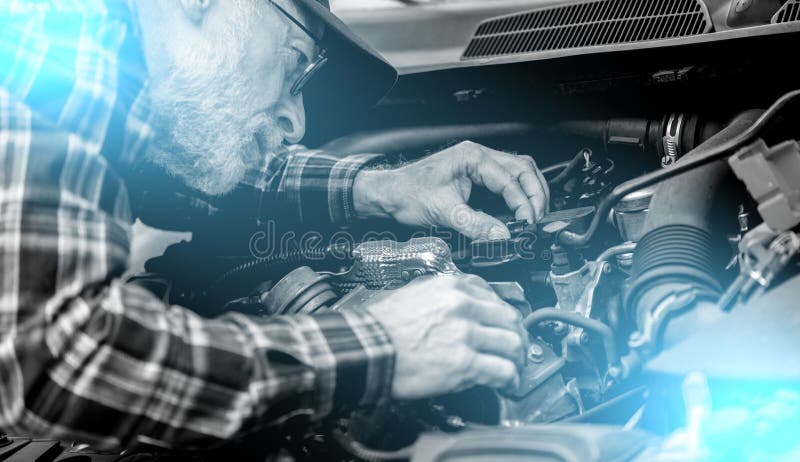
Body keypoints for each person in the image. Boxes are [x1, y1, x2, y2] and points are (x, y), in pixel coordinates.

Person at [0, 0, 549, 452]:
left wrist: (383, 189)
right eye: (296, 66)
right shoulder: (54, 32)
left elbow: (168, 176)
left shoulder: (112, 63)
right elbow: (52, 359)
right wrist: (377, 347)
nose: (297, 118)